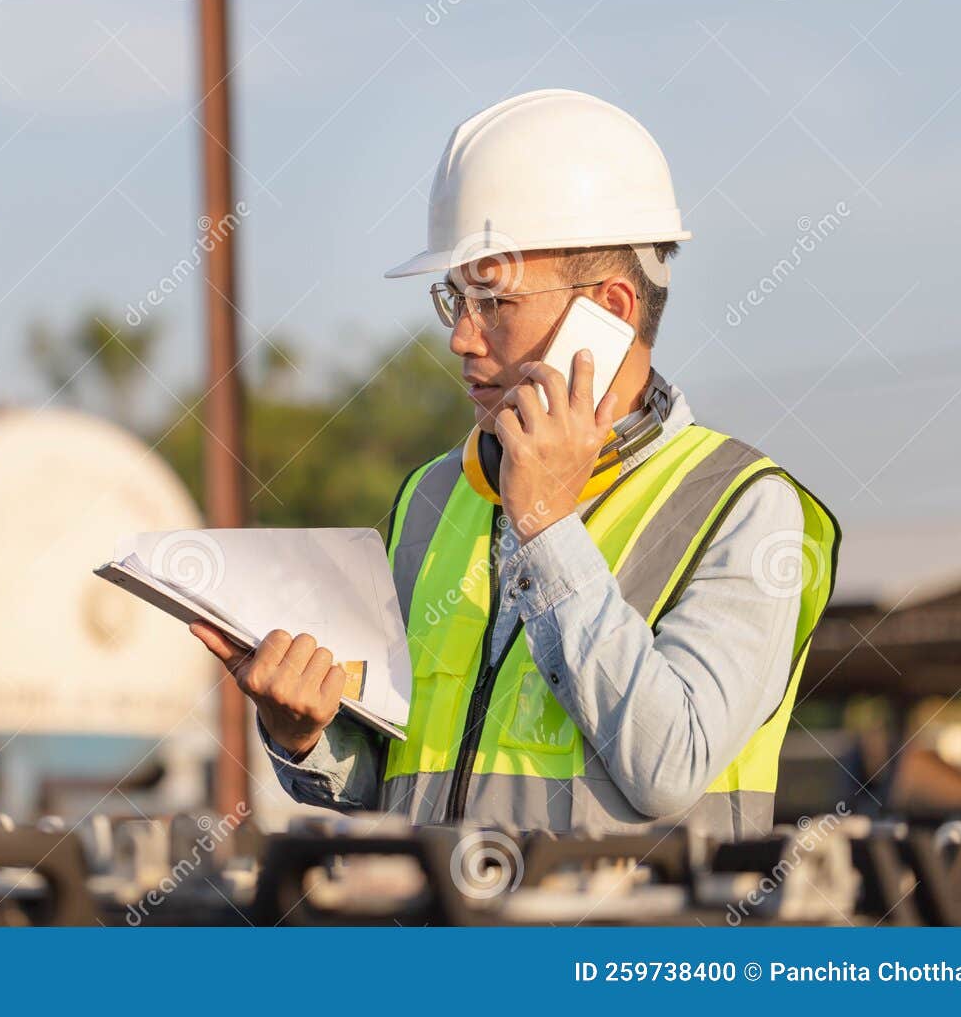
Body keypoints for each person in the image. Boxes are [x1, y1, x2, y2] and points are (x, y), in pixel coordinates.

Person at [191, 88, 840, 839]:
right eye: (454, 298)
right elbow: (400, 786)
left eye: (494, 301)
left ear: (614, 311)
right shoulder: (436, 495)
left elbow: (668, 766)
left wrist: (548, 525)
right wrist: (304, 733)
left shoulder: (742, 507)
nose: (462, 338)